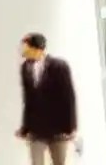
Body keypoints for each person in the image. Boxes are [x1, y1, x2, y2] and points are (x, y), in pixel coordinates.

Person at [17, 32, 77, 165]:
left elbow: (68, 98)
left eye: (26, 47)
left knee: (59, 162)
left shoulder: (59, 67)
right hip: (37, 129)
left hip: (58, 129)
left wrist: (71, 127)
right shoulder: (25, 68)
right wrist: (25, 127)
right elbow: (28, 100)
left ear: (36, 48)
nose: (23, 50)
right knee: (36, 161)